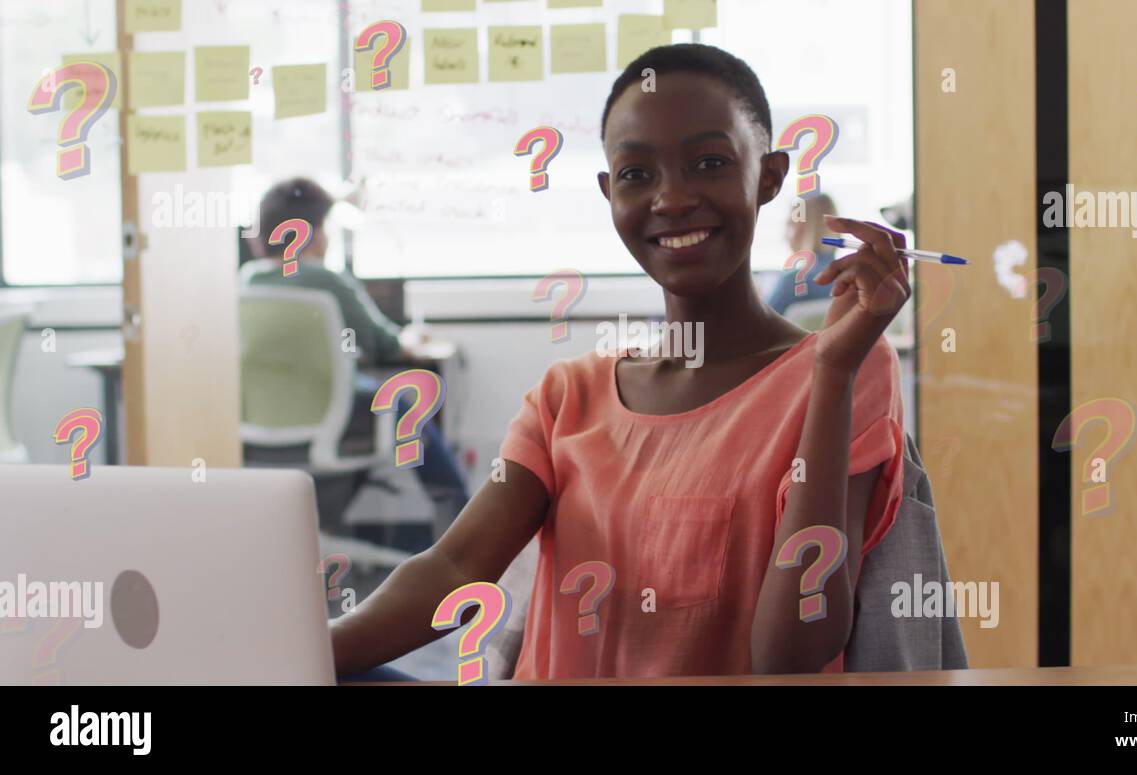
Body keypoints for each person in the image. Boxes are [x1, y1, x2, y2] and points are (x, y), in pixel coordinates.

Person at [332, 44, 911, 680]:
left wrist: (829, 375)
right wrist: (297, 647)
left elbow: (790, 654)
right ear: (610, 193)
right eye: (637, 175)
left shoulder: (843, 371)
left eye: (710, 162)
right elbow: (453, 569)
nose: (671, 198)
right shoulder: (566, 397)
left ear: (770, 176)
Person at [243, 179, 469, 546]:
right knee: (404, 402)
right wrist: (410, 338)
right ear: (313, 235)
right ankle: (461, 526)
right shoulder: (326, 282)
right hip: (326, 427)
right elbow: (384, 343)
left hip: (254, 437)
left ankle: (324, 528)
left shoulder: (244, 284)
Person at [767, 193, 839, 315]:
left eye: (790, 224)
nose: (784, 236)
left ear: (804, 228)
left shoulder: (794, 282)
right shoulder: (848, 280)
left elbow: (761, 325)